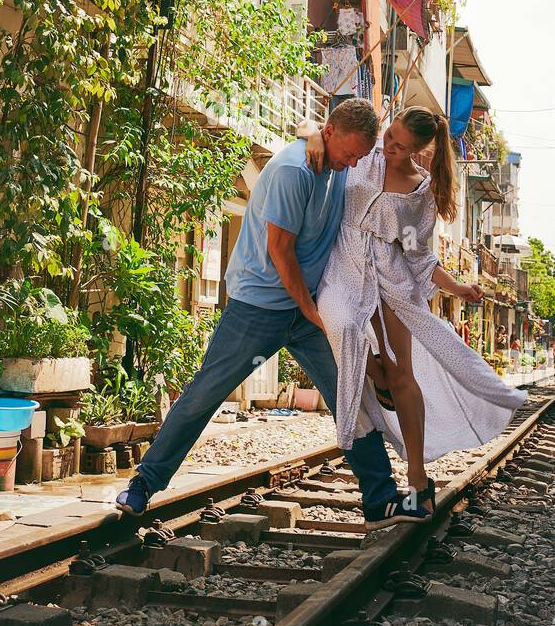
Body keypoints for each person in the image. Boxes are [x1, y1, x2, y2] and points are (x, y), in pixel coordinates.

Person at [117, 99, 419, 528]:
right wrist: (312, 311)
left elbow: (352, 149)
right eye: (347, 153)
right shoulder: (294, 171)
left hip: (308, 311)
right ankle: (143, 485)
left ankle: (380, 500)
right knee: (206, 392)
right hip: (258, 307)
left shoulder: (340, 155)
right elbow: (281, 252)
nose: (351, 163)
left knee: (350, 397)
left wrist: (314, 132)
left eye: (357, 156)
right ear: (330, 134)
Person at [304, 107, 528, 518]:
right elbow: (317, 132)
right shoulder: (364, 153)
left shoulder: (419, 191)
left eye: (399, 146)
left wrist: (458, 286)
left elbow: (419, 257)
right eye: (389, 137)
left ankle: (418, 479)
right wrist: (316, 135)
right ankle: (375, 376)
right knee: (340, 324)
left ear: (418, 150)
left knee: (404, 373)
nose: (388, 147)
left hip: (391, 275)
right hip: (345, 263)